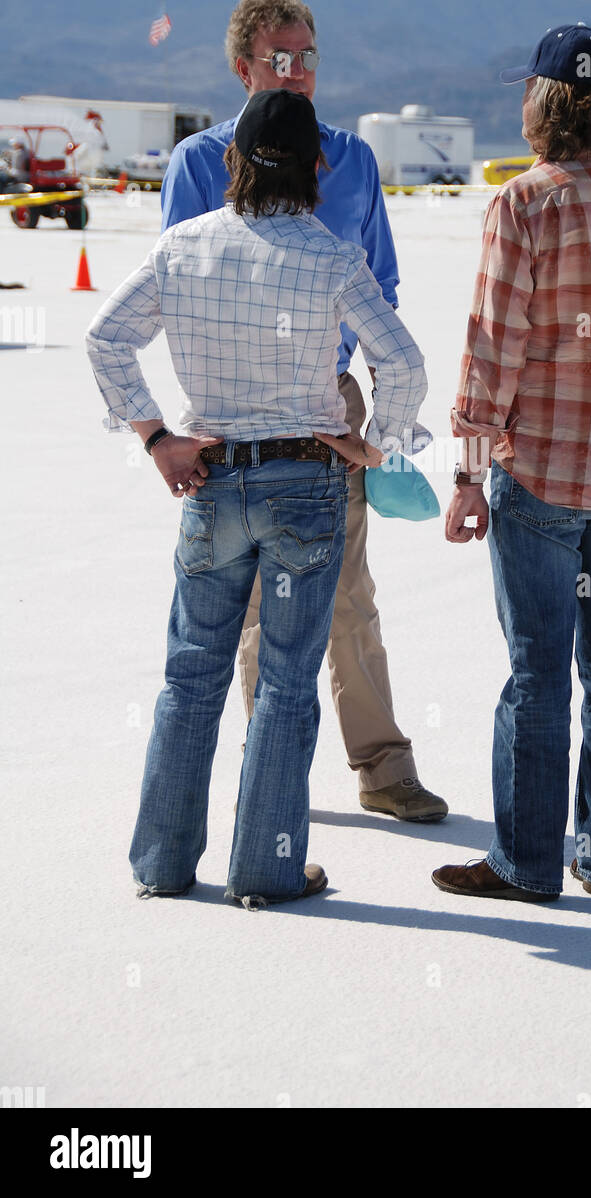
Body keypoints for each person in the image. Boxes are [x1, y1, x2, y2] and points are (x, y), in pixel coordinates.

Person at [85, 90, 429, 909]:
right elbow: (404, 363)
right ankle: (267, 867)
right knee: (285, 683)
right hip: (306, 486)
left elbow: (105, 338)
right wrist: (375, 444)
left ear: (232, 160)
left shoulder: (182, 246)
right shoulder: (333, 256)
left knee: (190, 677)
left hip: (209, 480)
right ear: (316, 168)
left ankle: (164, 863)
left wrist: (155, 438)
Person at [160, 0, 447, 822]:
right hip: (232, 410)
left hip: (332, 404)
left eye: (308, 55)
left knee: (349, 592)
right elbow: (183, 283)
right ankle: (272, 770)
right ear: (242, 68)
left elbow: (382, 281)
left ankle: (383, 768)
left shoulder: (353, 160)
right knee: (251, 600)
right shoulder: (198, 161)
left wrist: (346, 384)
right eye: (280, 58)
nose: (297, 72)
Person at [433, 23, 591, 903]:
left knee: (538, 674)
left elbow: (491, 348)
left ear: (543, 103)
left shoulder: (524, 203)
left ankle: (525, 864)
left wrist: (467, 473)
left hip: (540, 472)